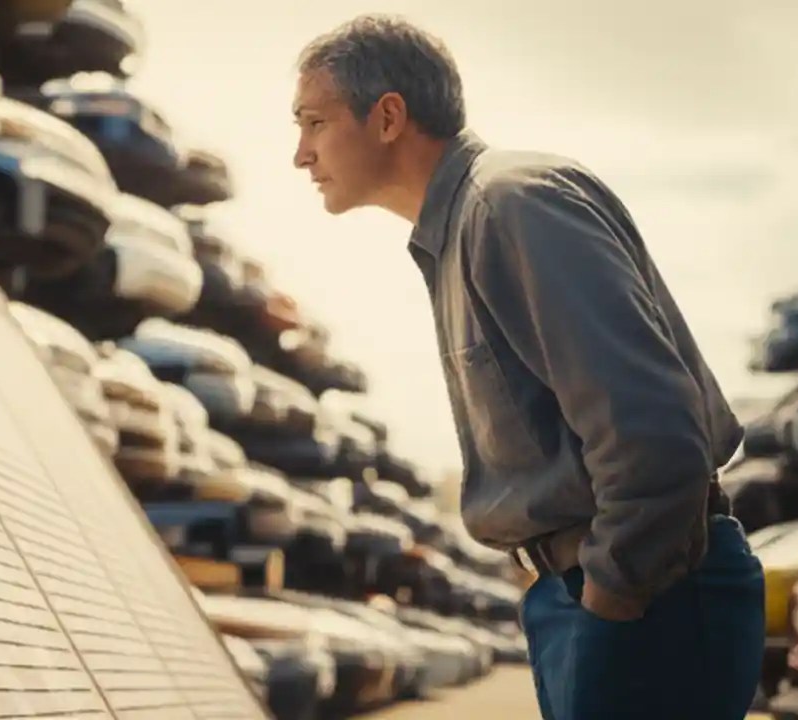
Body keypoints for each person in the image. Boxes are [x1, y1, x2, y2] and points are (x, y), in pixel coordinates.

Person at [291, 14, 765, 720]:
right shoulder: (461, 230)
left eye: (313, 122)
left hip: (648, 601)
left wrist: (608, 602)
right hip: (597, 599)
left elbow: (654, 436)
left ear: (387, 116)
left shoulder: (510, 205)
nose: (300, 154)